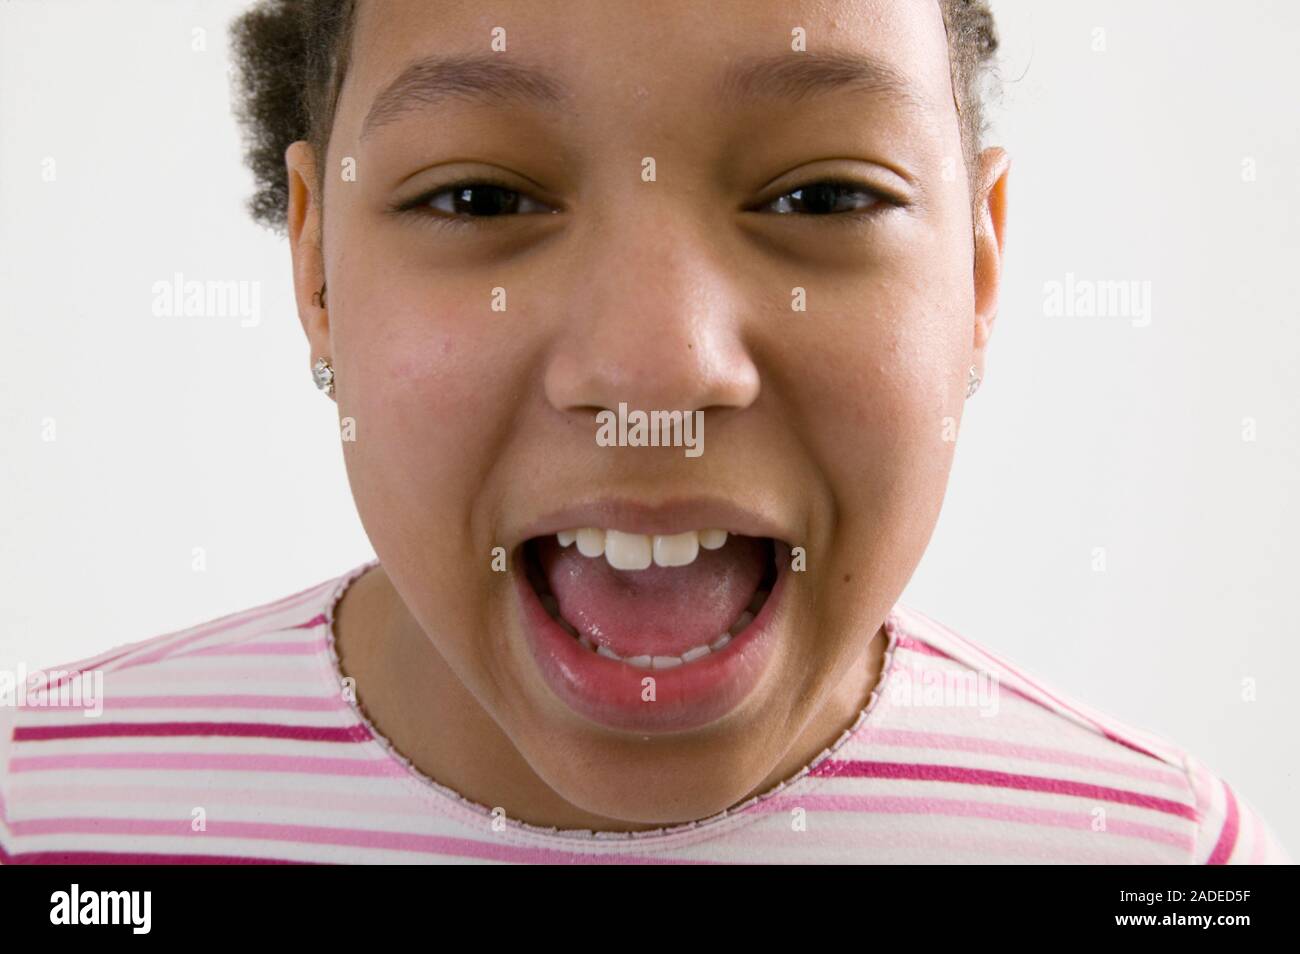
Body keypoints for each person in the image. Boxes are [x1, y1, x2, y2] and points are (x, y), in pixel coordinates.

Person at [0, 0, 1288, 864]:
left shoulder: (1156, 854)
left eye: (827, 193)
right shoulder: (51, 819)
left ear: (980, 267)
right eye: (478, 195)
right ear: (317, 265)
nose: (658, 361)